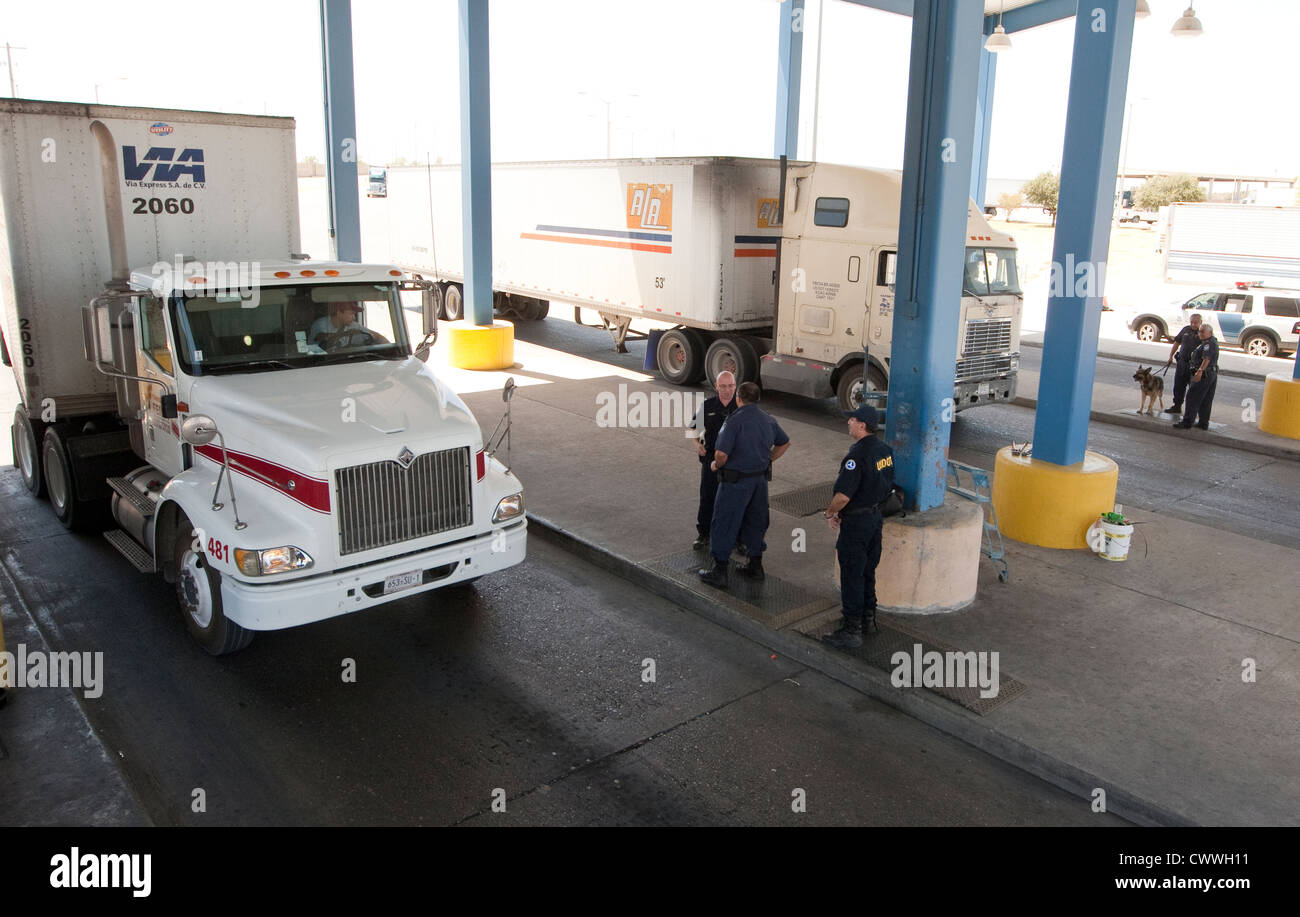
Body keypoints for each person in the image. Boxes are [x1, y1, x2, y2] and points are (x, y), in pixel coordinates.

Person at [698, 382, 790, 589]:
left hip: (736, 481)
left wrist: (715, 464)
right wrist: (768, 460)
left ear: (739, 397)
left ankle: (720, 571)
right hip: (759, 481)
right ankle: (755, 566)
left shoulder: (733, 421)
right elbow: (784, 442)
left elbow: (721, 454)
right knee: (756, 522)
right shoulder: (768, 419)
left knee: (725, 520)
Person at [822, 404, 894, 650]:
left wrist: (831, 512)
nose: (848, 423)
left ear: (862, 425)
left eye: (851, 420)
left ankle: (851, 630)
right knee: (867, 571)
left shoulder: (857, 457)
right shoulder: (885, 450)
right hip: (875, 519)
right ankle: (869, 620)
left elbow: (843, 496)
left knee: (852, 574)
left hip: (857, 523)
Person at [687, 371, 738, 551]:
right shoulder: (707, 406)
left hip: (734, 462)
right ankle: (704, 534)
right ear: (716, 387)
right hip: (710, 461)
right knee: (708, 497)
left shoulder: (741, 407)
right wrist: (696, 445)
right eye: (723, 386)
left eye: (731, 386)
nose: (727, 390)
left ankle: (739, 538)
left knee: (735, 501)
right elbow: (691, 429)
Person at [1174, 323, 1219, 430]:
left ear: (1210, 332)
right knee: (1205, 399)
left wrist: (1199, 372)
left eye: (1203, 331)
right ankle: (1203, 422)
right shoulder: (1207, 342)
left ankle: (1187, 422)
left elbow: (1206, 359)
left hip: (1204, 374)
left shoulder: (1209, 343)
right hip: (1209, 373)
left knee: (1192, 397)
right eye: (1199, 331)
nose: (1200, 333)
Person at [1163, 312, 1203, 414]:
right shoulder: (1186, 329)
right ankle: (1177, 406)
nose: (1193, 324)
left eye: (1196, 322)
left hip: (1194, 366)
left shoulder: (1203, 332)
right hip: (1182, 363)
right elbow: (1177, 342)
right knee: (1178, 385)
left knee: (1193, 389)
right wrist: (1170, 356)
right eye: (1192, 322)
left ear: (1200, 322)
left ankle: (1191, 411)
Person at [309, 301, 387, 350]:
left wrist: (391, 349)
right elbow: (323, 338)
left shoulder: (352, 325)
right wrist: (348, 333)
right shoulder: (320, 324)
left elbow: (375, 336)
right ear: (339, 313)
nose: (354, 317)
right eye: (351, 314)